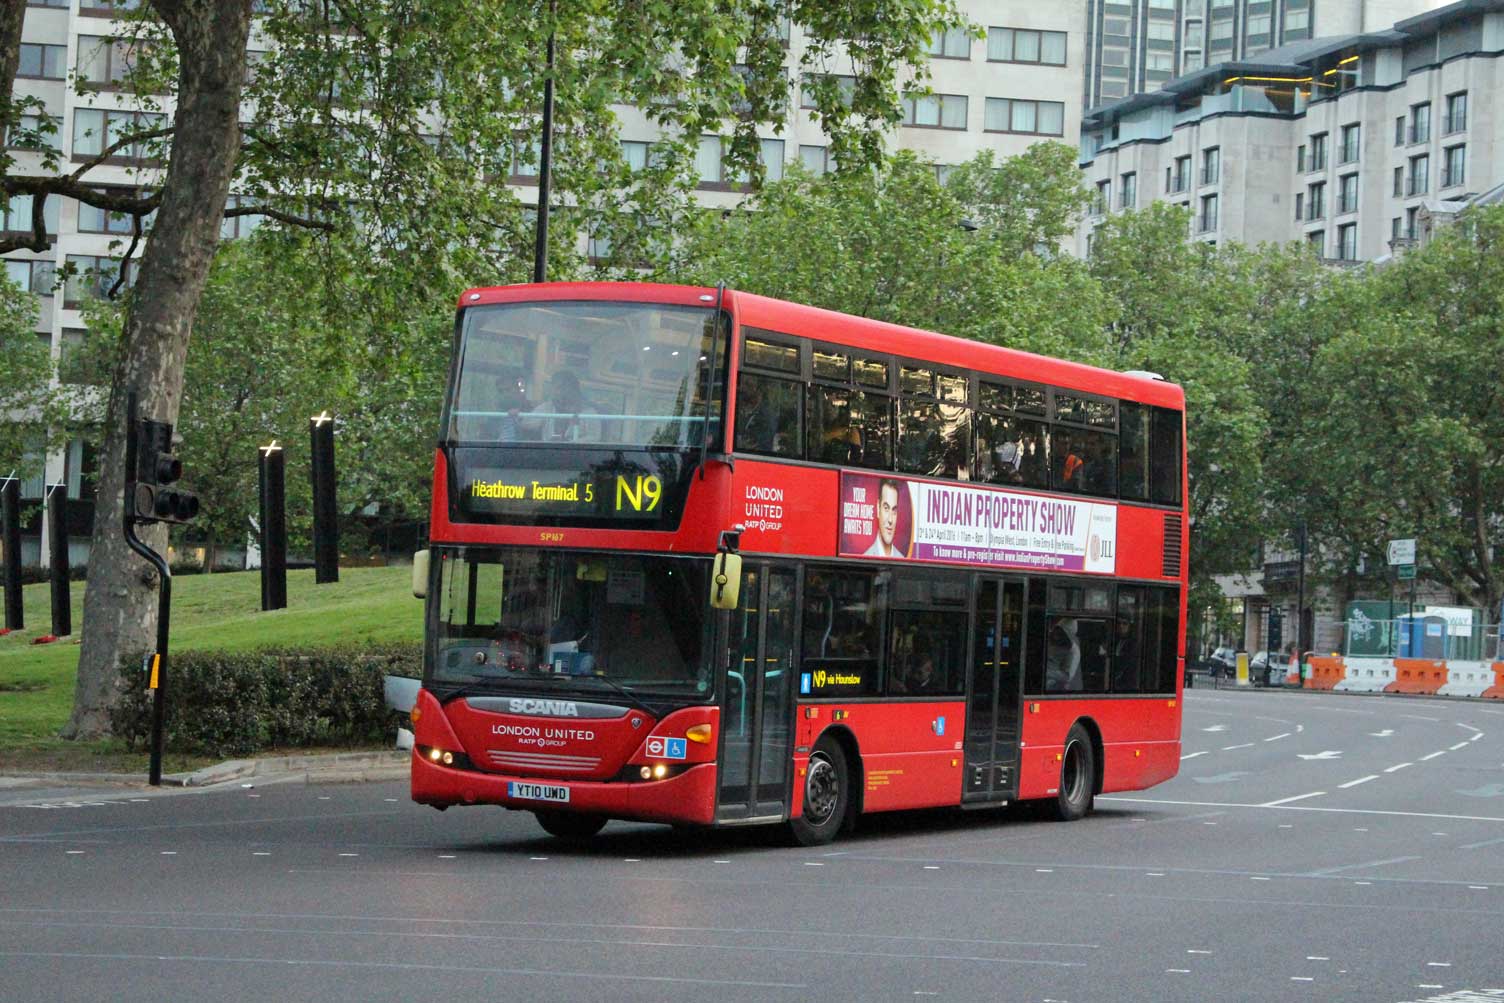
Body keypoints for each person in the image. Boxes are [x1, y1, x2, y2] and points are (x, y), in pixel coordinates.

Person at [520, 371, 597, 442]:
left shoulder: (589, 412)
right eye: (555, 387)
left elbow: (594, 437)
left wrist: (571, 442)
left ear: (573, 389)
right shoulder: (547, 407)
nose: (557, 391)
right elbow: (526, 424)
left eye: (561, 387)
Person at [864, 478, 906, 558]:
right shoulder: (866, 558)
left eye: (894, 510)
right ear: (878, 508)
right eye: (886, 508)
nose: (890, 520)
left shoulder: (903, 560)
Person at [1046, 618, 1081, 692]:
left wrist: (1048, 672)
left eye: (1061, 633)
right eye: (1057, 630)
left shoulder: (1072, 651)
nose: (1056, 635)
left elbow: (1066, 676)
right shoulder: (1048, 638)